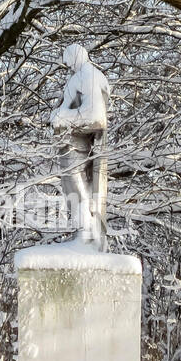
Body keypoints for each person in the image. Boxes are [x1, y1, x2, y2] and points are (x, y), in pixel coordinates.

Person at [50, 44, 109, 249]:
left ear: (75, 56)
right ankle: (83, 231)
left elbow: (95, 116)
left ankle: (86, 230)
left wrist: (62, 117)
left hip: (78, 145)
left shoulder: (89, 76)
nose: (66, 64)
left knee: (76, 185)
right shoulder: (84, 76)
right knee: (72, 187)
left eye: (67, 59)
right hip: (72, 144)